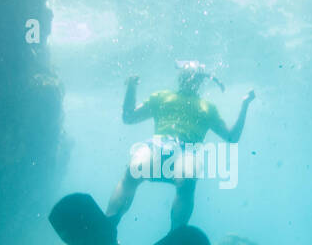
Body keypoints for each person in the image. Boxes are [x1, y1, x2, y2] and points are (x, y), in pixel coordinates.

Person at [107, 61, 254, 230]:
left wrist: (245, 105)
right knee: (135, 169)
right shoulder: (162, 98)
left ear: (198, 81)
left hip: (186, 151)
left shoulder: (206, 107)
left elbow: (232, 137)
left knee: (184, 180)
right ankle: (110, 223)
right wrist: (131, 87)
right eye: (186, 76)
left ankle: (175, 236)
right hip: (160, 144)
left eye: (192, 78)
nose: (190, 81)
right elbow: (129, 118)